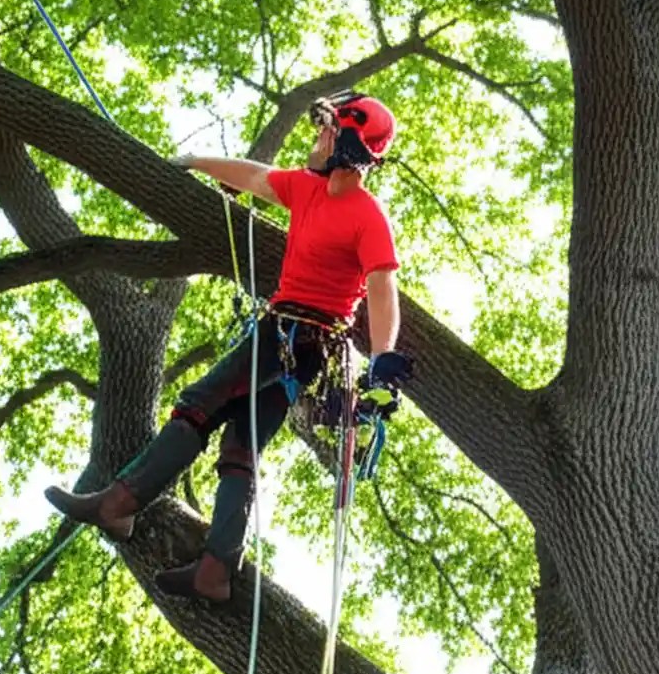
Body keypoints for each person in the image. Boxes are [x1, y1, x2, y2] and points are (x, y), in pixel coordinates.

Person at [44, 91, 414, 603]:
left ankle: (120, 502)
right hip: (291, 343)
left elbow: (381, 285)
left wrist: (384, 354)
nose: (314, 138)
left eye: (323, 129)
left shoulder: (366, 214)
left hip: (298, 338)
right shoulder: (307, 190)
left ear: (343, 138)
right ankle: (216, 569)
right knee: (241, 442)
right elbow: (255, 176)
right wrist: (194, 162)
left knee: (202, 401)